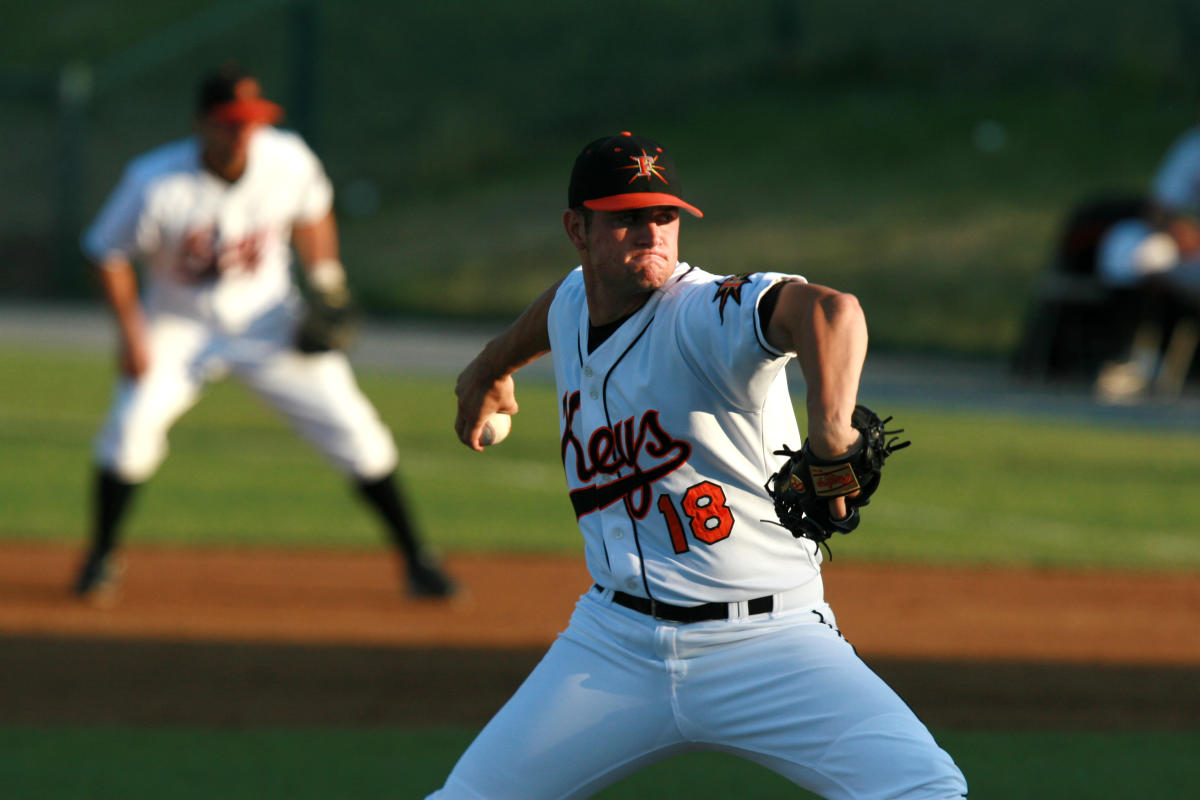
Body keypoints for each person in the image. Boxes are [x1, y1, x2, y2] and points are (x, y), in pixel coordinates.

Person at [439, 132, 966, 799]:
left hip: (770, 644)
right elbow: (562, 304)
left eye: (664, 216)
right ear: (577, 229)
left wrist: (832, 430)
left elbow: (834, 311)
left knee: (925, 791)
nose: (650, 233)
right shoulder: (575, 302)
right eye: (626, 217)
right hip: (613, 645)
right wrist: (491, 365)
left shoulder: (704, 314)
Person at [72, 64, 456, 604]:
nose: (243, 131)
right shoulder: (155, 181)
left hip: (269, 322)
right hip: (177, 326)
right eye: (230, 121)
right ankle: (99, 558)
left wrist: (326, 280)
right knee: (129, 431)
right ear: (202, 123)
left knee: (356, 431)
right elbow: (105, 252)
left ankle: (418, 561)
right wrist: (132, 334)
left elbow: (313, 213)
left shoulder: (287, 158)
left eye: (252, 119)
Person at [1094, 125, 1200, 402]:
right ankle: (1129, 357)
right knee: (1127, 247)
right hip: (1183, 248)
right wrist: (1177, 232)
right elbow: (1160, 206)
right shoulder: (1193, 146)